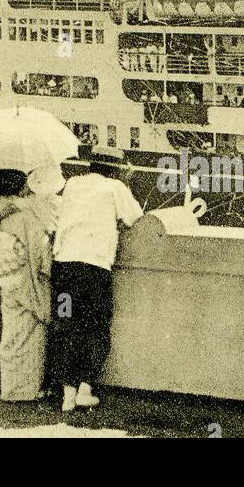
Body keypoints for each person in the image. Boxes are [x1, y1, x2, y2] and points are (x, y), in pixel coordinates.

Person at [51, 153, 141, 413]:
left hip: (63, 269)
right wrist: (127, 183)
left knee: (66, 326)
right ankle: (84, 390)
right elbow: (135, 218)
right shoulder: (115, 187)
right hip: (93, 270)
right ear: (115, 170)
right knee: (95, 326)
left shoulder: (73, 184)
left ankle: (66, 395)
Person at [0, 168, 54, 403]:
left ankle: (9, 387)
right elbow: (39, 248)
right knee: (30, 334)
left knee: (10, 334)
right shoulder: (27, 213)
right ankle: (25, 389)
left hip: (4, 278)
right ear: (23, 187)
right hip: (26, 278)